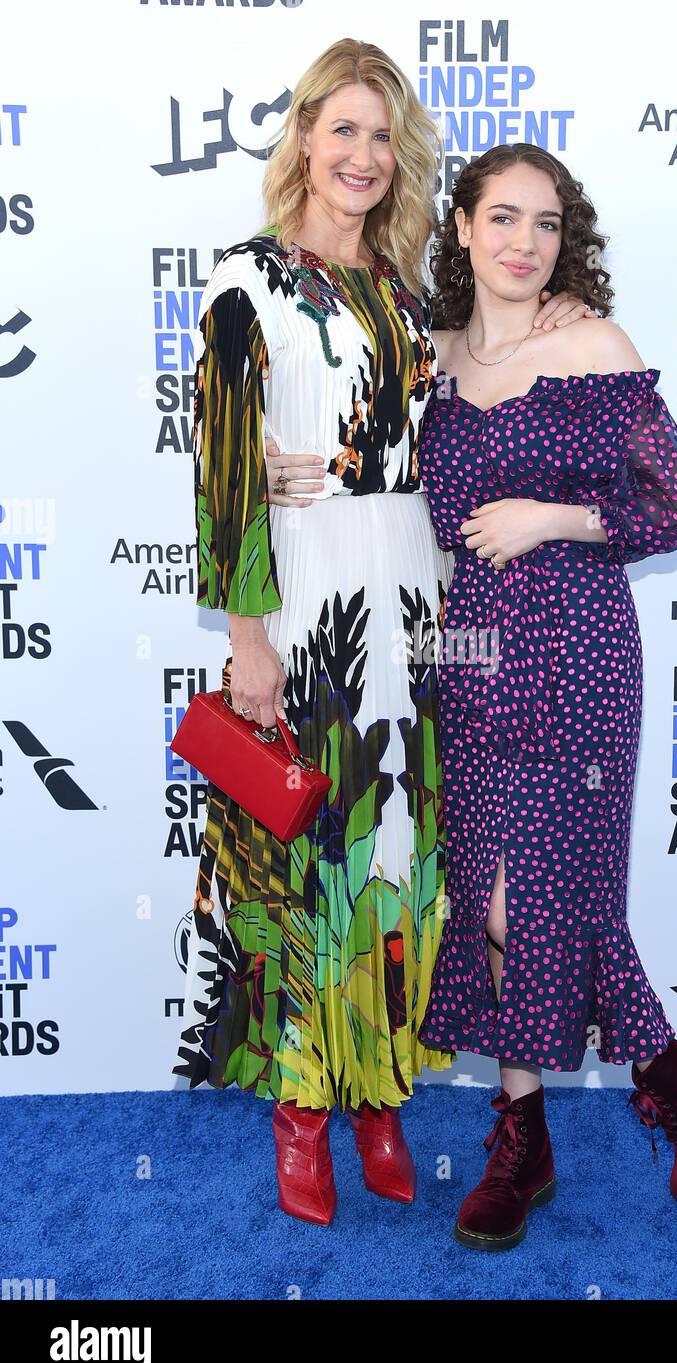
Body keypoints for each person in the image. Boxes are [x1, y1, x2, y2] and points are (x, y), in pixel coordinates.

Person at [173, 40, 591, 1228]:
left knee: (402, 850)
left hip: (413, 596)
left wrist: (555, 309)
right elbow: (222, 474)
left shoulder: (410, 295)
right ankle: (301, 1106)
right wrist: (248, 635)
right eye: (339, 129)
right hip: (304, 597)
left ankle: (379, 1092)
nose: (360, 155)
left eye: (379, 135)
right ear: (303, 136)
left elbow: (454, 416)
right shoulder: (243, 282)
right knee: (305, 852)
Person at [412, 143, 677, 1250]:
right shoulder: (427, 360)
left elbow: (671, 507)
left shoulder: (590, 343)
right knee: (488, 903)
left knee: (548, 903)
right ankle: (539, 1131)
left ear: (566, 240)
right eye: (501, 218)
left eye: (545, 224)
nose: (522, 242)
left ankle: (666, 1083)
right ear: (460, 228)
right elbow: (371, 485)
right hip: (466, 658)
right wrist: (283, 476)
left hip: (576, 652)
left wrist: (546, 517)